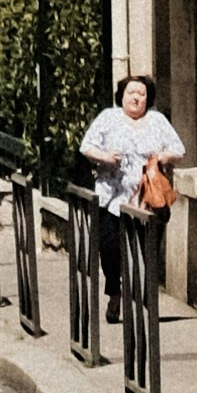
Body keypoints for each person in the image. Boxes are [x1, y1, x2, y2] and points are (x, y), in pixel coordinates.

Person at [80, 66, 185, 316]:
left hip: (148, 199)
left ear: (148, 97)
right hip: (112, 198)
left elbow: (179, 150)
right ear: (122, 96)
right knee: (109, 247)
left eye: (141, 93)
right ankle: (115, 293)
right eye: (131, 93)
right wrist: (105, 157)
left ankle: (145, 300)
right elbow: (86, 146)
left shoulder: (157, 121)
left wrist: (160, 157)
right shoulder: (108, 117)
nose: (136, 98)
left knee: (147, 251)